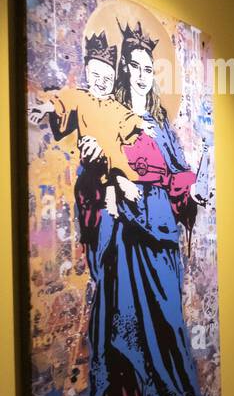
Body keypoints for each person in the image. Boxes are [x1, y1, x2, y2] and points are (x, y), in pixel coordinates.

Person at [90, 20, 209, 396]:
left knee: (167, 328)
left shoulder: (160, 126)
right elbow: (97, 173)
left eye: (147, 68)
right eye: (134, 67)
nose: (141, 74)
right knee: (132, 333)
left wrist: (191, 191)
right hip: (128, 247)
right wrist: (117, 184)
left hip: (161, 249)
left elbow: (179, 177)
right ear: (124, 71)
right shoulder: (113, 121)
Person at [27, 30, 146, 274]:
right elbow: (63, 100)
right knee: (95, 234)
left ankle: (119, 190)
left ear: (114, 76)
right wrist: (44, 106)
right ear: (87, 73)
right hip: (91, 177)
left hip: (116, 170)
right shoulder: (81, 98)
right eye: (95, 74)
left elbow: (133, 126)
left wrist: (144, 127)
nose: (101, 81)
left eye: (107, 76)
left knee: (118, 229)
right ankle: (98, 267)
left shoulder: (118, 108)